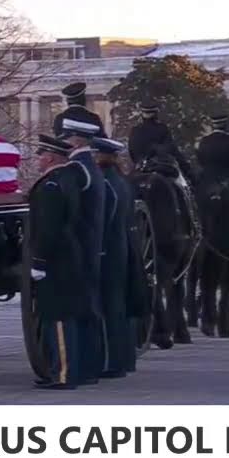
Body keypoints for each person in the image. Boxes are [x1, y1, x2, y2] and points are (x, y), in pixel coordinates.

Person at [29, 134, 87, 390]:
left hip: (56, 259)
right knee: (62, 316)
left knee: (58, 317)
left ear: (51, 157)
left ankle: (63, 374)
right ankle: (61, 370)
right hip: (67, 255)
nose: (39, 160)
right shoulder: (67, 179)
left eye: (41, 156)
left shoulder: (52, 186)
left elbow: (48, 228)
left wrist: (39, 261)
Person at [57, 105, 106, 385]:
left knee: (76, 309)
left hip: (77, 249)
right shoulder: (91, 167)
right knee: (88, 307)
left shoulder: (76, 169)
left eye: (65, 138)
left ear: (74, 140)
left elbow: (66, 210)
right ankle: (90, 367)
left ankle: (76, 369)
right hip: (91, 245)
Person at [93, 137, 136, 378]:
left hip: (107, 251)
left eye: (95, 154)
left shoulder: (107, 183)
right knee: (117, 305)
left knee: (109, 307)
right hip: (119, 248)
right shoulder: (119, 180)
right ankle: (123, 359)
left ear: (102, 156)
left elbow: (105, 220)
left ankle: (112, 362)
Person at [128, 103, 193, 181]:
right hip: (162, 168)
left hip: (140, 168)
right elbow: (173, 150)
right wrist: (188, 171)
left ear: (142, 114)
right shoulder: (162, 129)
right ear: (156, 114)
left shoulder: (134, 131)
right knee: (182, 184)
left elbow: (132, 153)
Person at [195, 112, 229, 186]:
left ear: (213, 125)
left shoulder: (204, 141)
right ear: (225, 126)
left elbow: (200, 161)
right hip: (228, 180)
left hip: (207, 181)